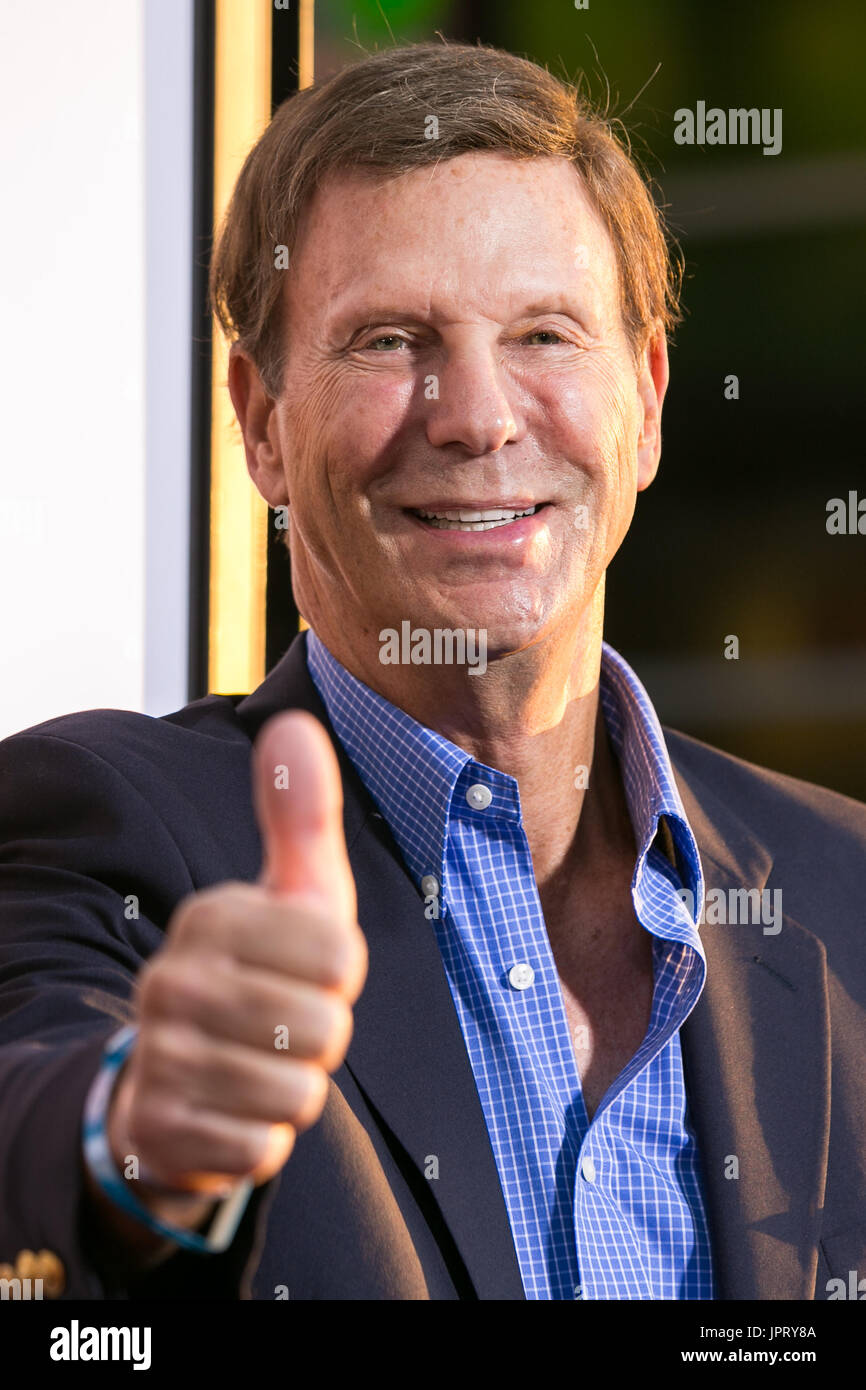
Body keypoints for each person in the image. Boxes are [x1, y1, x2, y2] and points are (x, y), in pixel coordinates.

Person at [1, 40, 864, 1302]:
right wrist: (144, 1140)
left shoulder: (845, 892)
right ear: (258, 423)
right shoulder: (104, 821)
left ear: (650, 398)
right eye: (390, 339)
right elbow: (38, 1128)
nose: (475, 414)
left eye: (543, 334)